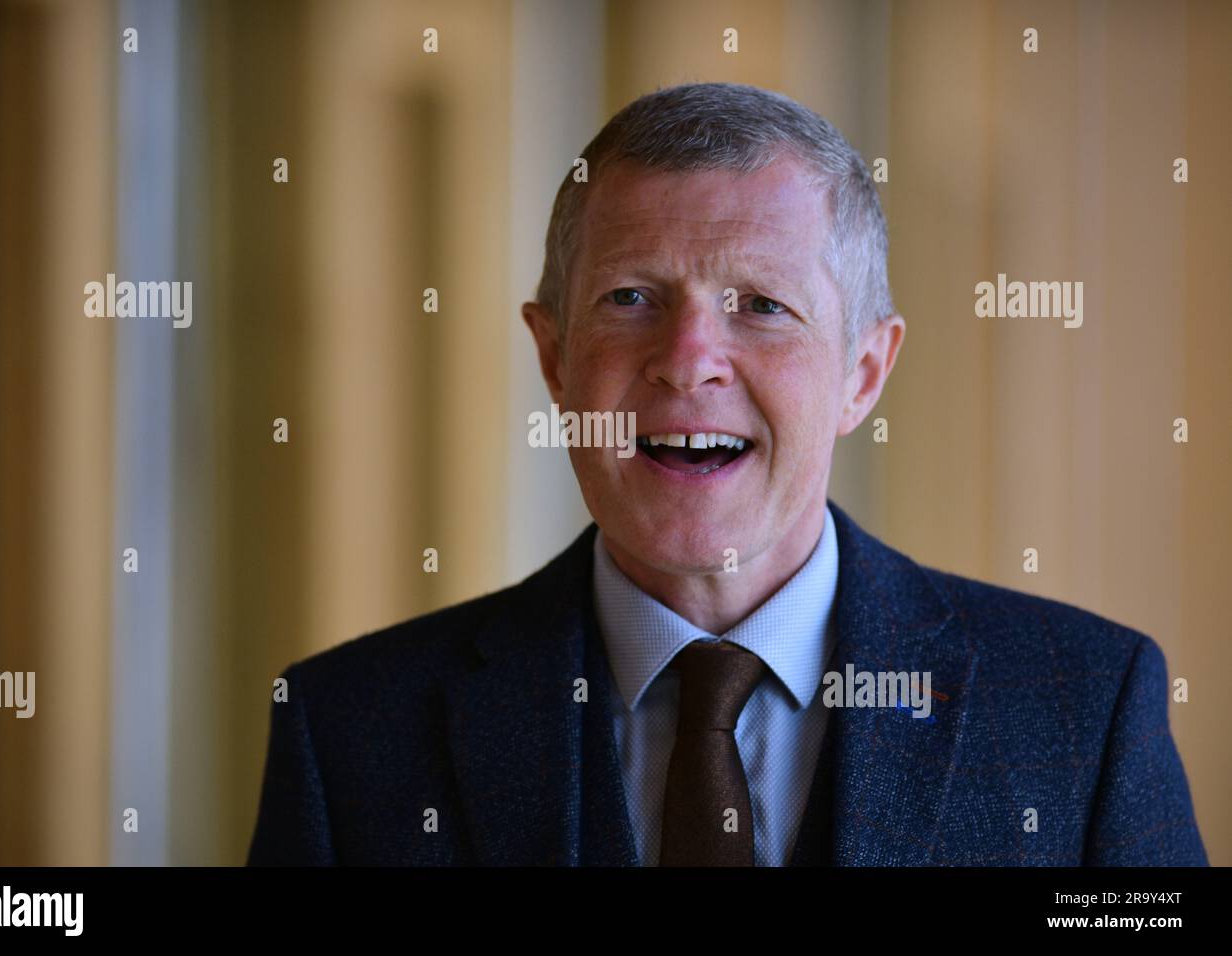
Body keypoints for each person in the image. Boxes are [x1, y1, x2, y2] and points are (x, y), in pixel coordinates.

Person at [247, 82, 1206, 866]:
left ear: (862, 373)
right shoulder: (348, 733)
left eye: (760, 305)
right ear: (554, 360)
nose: (689, 358)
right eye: (630, 298)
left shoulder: (1084, 711)